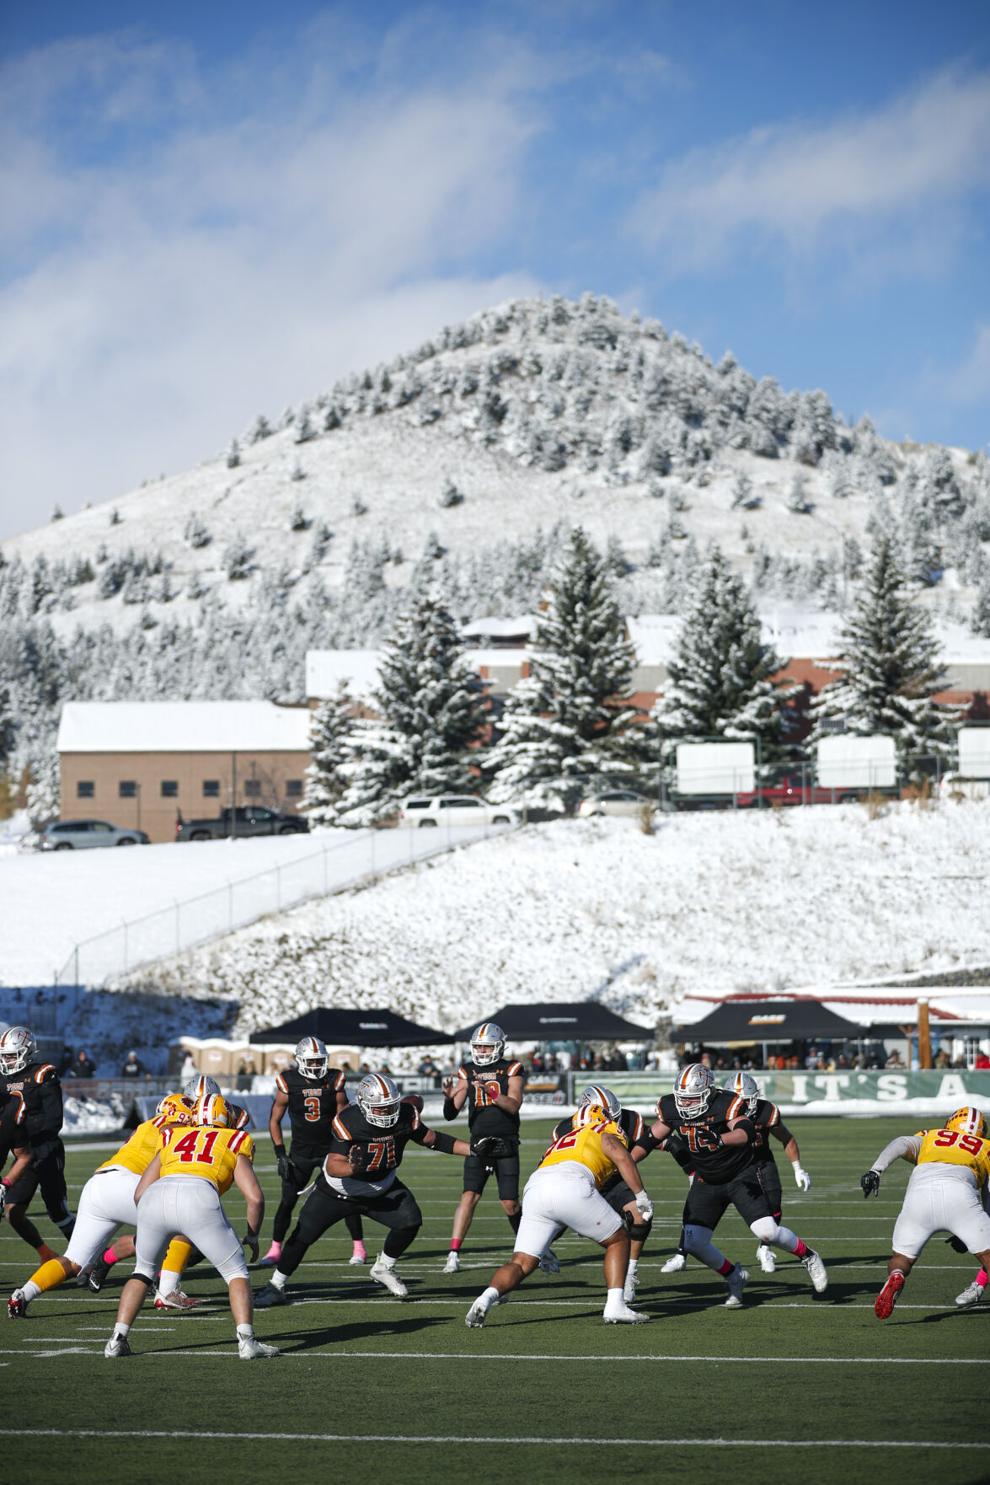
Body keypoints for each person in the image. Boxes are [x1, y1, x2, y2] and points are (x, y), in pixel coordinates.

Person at [254, 1073, 475, 1307]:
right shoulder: (349, 1120)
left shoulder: (405, 1115)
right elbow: (332, 1164)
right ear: (364, 1105)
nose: (387, 1113)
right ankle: (276, 1286)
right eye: (381, 1108)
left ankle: (383, 1267)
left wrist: (474, 1150)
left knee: (410, 1221)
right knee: (302, 1237)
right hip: (340, 1190)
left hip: (381, 1187)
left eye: (391, 1106)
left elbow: (434, 1139)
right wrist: (353, 1167)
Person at [104, 1092, 277, 1361]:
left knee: (143, 1272)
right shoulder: (235, 1138)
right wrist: (253, 1235)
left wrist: (156, 1224)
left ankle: (117, 1339)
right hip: (198, 1196)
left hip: (155, 1197)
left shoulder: (173, 1136)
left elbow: (140, 1192)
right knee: (235, 1273)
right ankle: (246, 1342)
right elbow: (254, 1196)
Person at [643, 1064, 827, 1307]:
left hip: (742, 1173)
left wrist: (721, 1139)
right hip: (707, 1178)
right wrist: (622, 1158)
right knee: (694, 1242)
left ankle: (808, 1256)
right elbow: (650, 1138)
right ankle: (734, 1275)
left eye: (692, 1098)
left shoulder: (735, 1106)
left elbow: (748, 1133)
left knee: (768, 1230)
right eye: (683, 1099)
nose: (686, 1104)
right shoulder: (674, 1108)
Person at [465, 1097, 653, 1328]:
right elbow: (620, 1154)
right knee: (618, 1239)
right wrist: (640, 1194)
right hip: (571, 1183)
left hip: (536, 1187)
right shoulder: (605, 1127)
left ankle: (487, 1297)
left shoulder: (563, 1139)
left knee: (522, 1262)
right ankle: (616, 1305)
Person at [7, 1092, 193, 1317]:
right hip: (128, 1184)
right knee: (182, 1223)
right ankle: (166, 1291)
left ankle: (22, 1295)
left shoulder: (145, 1125)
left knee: (73, 1260)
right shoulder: (174, 1128)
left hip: (98, 1184)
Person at [860, 1105, 990, 1319]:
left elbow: (900, 1143)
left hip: (919, 1196)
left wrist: (876, 1170)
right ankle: (978, 1285)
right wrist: (974, 1229)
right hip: (961, 1197)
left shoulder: (932, 1135)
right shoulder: (985, 1147)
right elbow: (988, 1195)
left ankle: (897, 1275)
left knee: (901, 1258)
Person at [260, 1036, 366, 1269]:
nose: (317, 1066)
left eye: (320, 1061)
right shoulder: (288, 1082)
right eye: (313, 1061)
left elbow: (344, 1115)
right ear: (300, 1060)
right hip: (301, 1152)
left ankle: (359, 1247)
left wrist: (347, 1147)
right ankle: (275, 1248)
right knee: (288, 1201)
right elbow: (274, 1120)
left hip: (332, 1149)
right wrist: (280, 1153)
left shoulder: (334, 1079)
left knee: (347, 1197)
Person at [546, 1084, 656, 1302]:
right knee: (547, 1222)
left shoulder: (630, 1120)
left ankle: (629, 1274)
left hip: (614, 1181)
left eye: (614, 1119)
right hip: (581, 1183)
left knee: (641, 1216)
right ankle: (533, 1257)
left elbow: (652, 1139)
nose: (611, 1125)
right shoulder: (564, 1129)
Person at [441, 1022, 524, 1274]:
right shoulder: (467, 1070)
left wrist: (492, 1093)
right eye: (479, 1047)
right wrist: (448, 1097)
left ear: (498, 1046)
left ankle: (532, 1246)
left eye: (487, 1046)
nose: (483, 1051)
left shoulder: (512, 1068)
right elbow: (450, 1114)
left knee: (509, 1203)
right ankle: (453, 1254)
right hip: (478, 1143)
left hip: (506, 1142)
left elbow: (513, 1105)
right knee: (469, 1196)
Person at [0, 1026, 75, 1260]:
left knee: (57, 1210)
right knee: (13, 1212)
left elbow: (54, 1120)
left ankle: (90, 1256)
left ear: (27, 1051)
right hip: (23, 1153)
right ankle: (46, 1253)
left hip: (45, 1150)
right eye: (4, 1056)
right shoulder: (3, 1079)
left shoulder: (42, 1074)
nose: (7, 1061)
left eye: (11, 1055)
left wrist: (24, 1133)